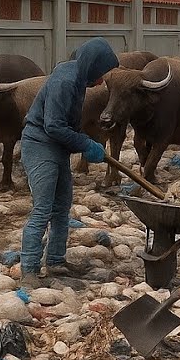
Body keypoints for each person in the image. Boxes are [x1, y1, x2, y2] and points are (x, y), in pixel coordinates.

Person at [19, 38, 119, 287]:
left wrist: (83, 140)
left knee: (62, 206)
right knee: (43, 208)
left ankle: (56, 261)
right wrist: (84, 144)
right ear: (92, 66)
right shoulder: (64, 81)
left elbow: (67, 124)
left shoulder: (78, 79)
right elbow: (53, 125)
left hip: (57, 147)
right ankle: (29, 270)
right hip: (40, 145)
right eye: (101, 73)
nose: (101, 81)